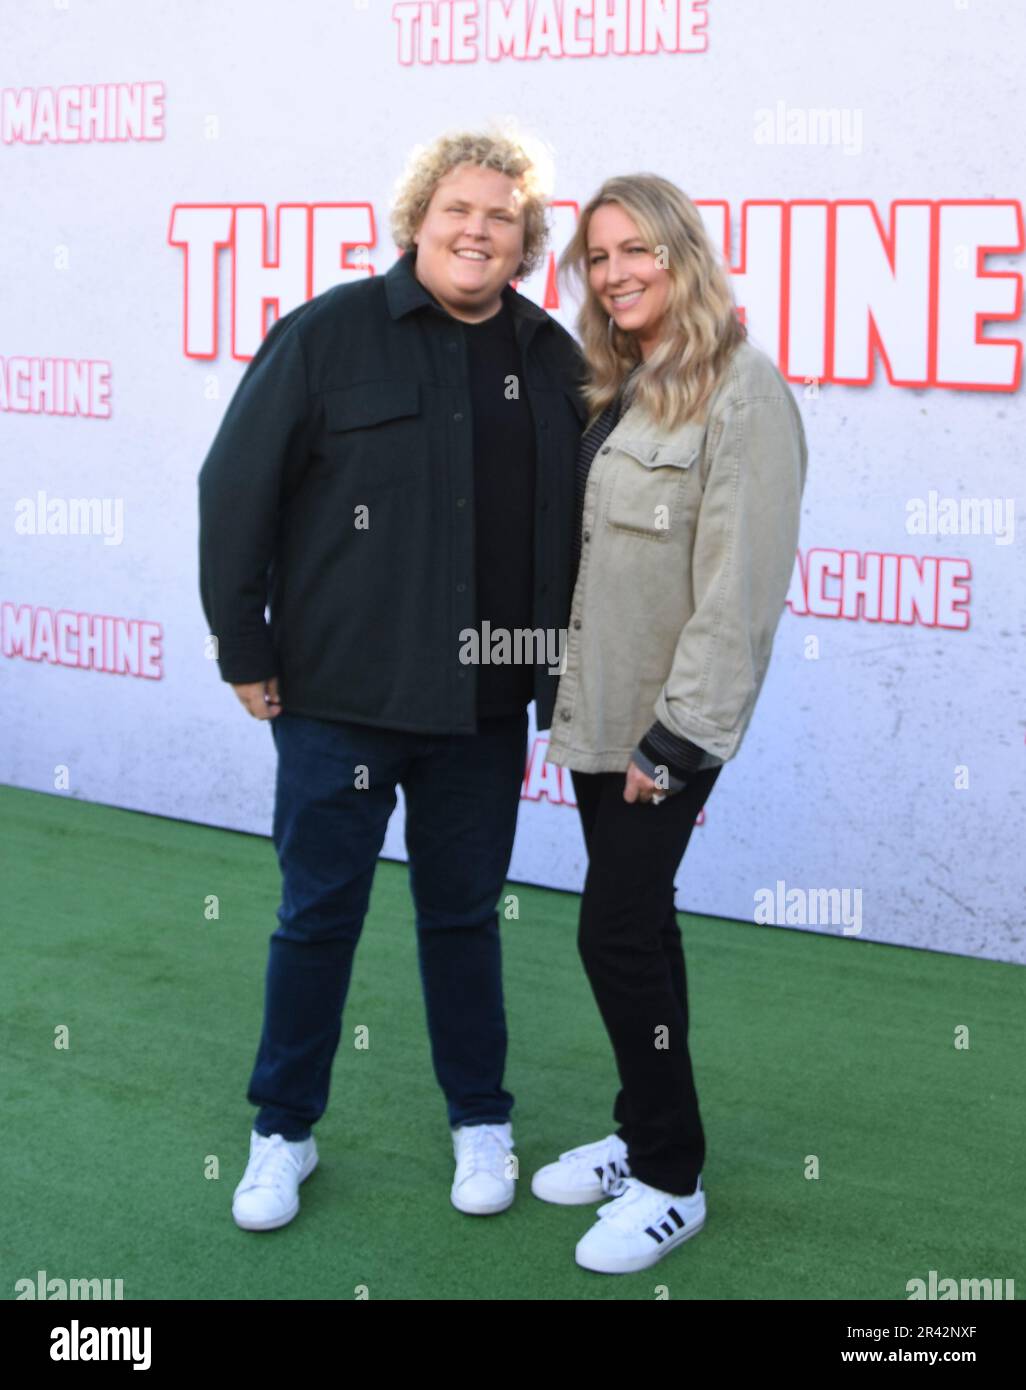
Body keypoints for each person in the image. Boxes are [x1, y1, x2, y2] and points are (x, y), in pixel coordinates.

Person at [197, 128, 588, 1231]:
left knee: (463, 917)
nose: (477, 230)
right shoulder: (325, 337)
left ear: (526, 240)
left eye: (502, 216)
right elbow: (234, 495)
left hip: (483, 711)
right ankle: (282, 1132)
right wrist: (245, 647)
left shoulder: (552, 358)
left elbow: (576, 532)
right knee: (317, 918)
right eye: (458, 209)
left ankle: (480, 1119)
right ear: (417, 217)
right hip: (339, 706)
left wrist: (562, 689)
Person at [537, 174, 809, 1274]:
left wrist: (677, 739)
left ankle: (671, 1178)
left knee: (611, 931)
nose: (616, 273)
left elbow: (740, 588)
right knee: (643, 928)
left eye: (636, 250)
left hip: (666, 728)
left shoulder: (743, 390)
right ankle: (638, 1128)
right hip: (603, 706)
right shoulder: (620, 385)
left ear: (682, 253)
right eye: (598, 257)